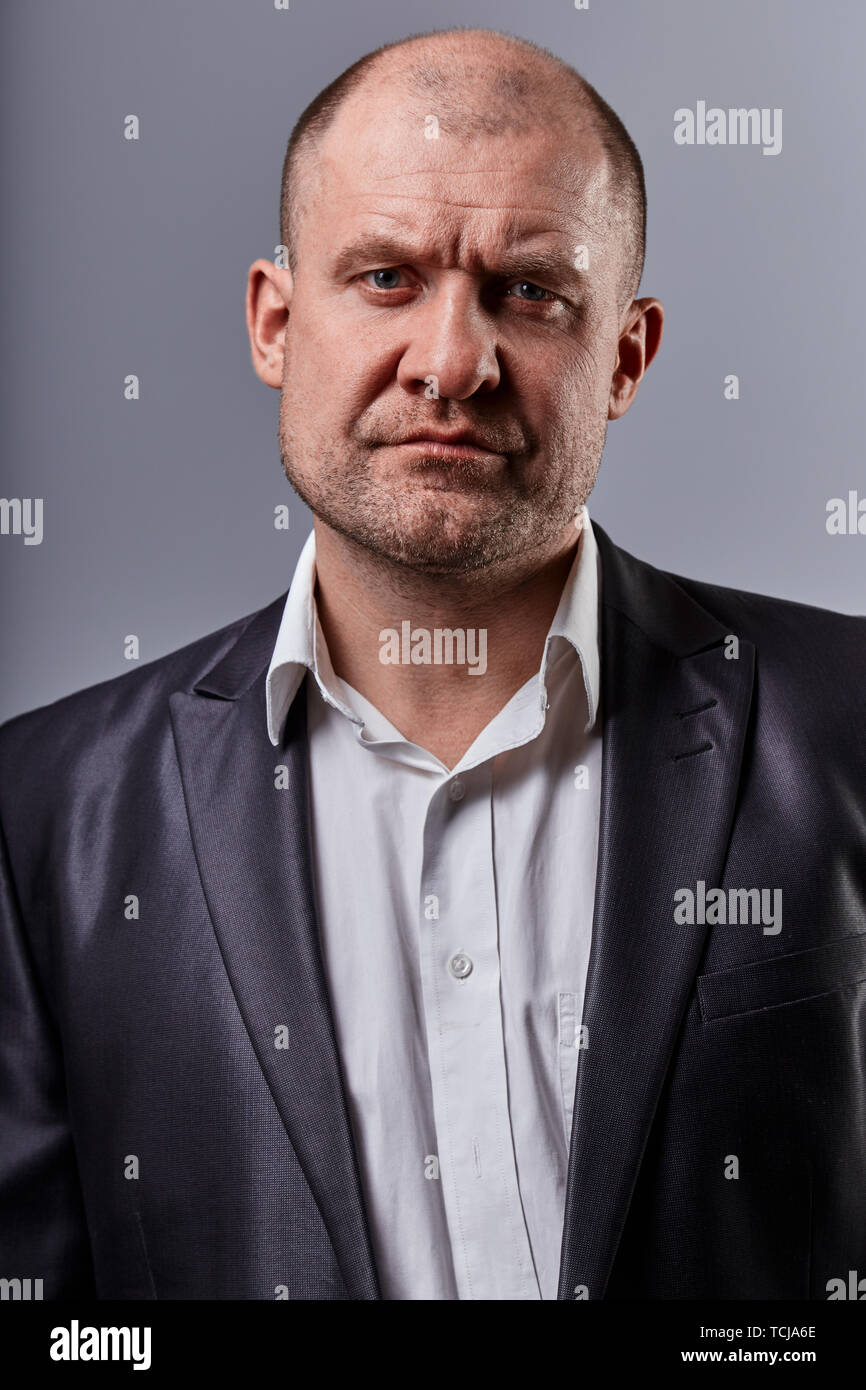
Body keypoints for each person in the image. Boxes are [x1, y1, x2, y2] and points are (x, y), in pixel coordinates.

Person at [1, 26, 864, 1302]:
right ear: (276, 323)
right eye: (388, 276)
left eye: (529, 292)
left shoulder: (844, 723)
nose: (451, 363)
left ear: (623, 355)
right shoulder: (42, 812)